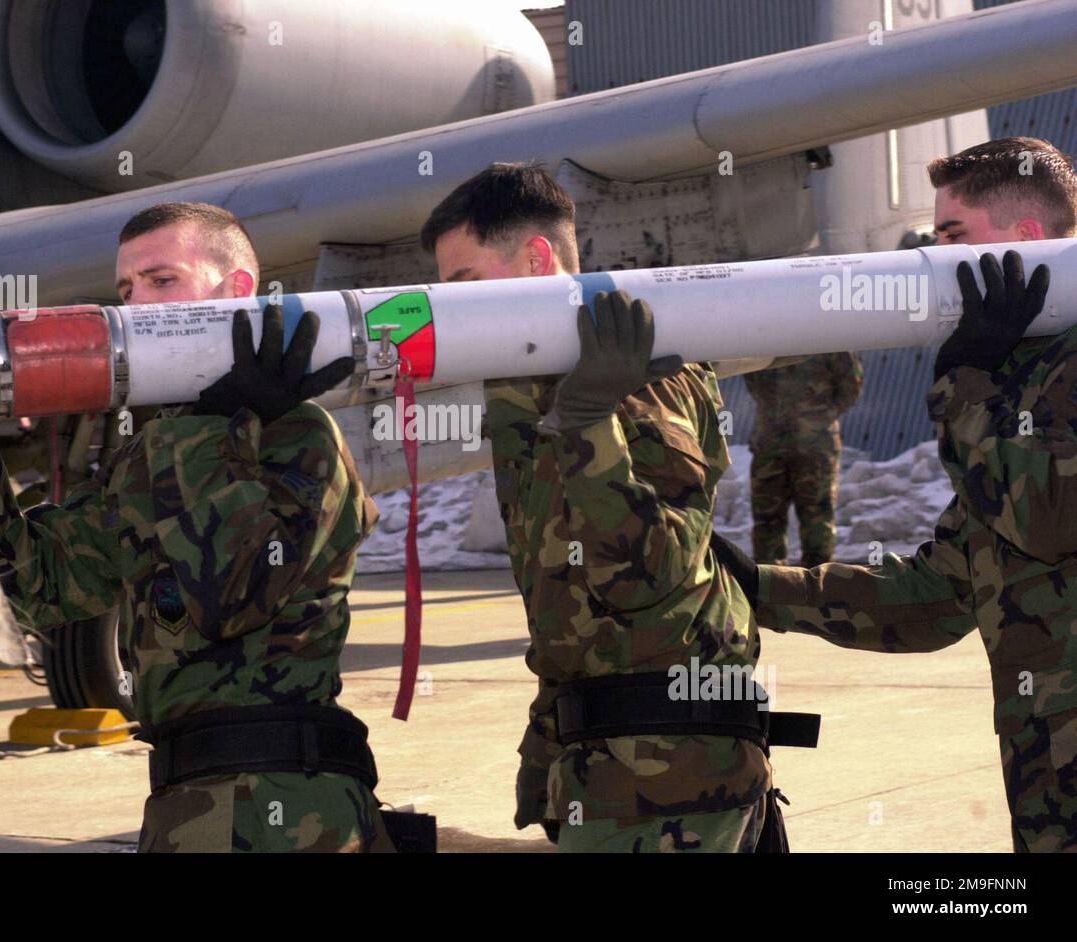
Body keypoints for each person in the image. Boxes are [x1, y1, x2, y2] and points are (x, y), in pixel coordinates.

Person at [0, 201, 395, 852]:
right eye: (125, 290)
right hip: (185, 806)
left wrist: (205, 426)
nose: (134, 308)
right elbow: (44, 591)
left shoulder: (298, 434)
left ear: (236, 291)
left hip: (291, 811)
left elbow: (229, 595)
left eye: (163, 281)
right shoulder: (155, 450)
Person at [713, 137, 1077, 852]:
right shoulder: (1017, 380)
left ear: (1027, 242)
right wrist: (762, 586)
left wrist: (964, 382)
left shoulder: (1015, 380)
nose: (934, 256)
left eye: (952, 236)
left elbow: (1049, 514)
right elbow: (938, 596)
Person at [421, 163, 793, 852]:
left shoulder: (641, 376)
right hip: (601, 755)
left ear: (536, 260)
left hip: (669, 773)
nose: (451, 307)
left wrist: (589, 416)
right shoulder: (529, 375)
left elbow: (648, 570)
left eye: (463, 283)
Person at [745, 352, 864, 566]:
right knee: (766, 519)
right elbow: (751, 377)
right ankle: (769, 587)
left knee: (817, 516)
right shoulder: (765, 334)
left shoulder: (828, 335)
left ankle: (818, 589)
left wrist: (818, 416)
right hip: (770, 443)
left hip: (814, 448)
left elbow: (851, 386)